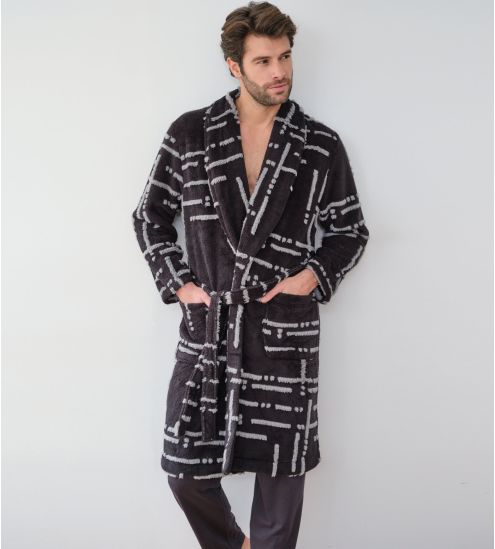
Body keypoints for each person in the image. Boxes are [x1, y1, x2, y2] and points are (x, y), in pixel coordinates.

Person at [131, 2, 370, 547]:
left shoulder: (319, 144)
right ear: (234, 66)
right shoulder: (191, 134)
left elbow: (350, 230)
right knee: (185, 472)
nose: (279, 71)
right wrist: (180, 284)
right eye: (263, 61)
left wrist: (310, 277)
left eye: (285, 57)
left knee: (280, 492)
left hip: (283, 333)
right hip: (210, 328)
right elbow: (149, 216)